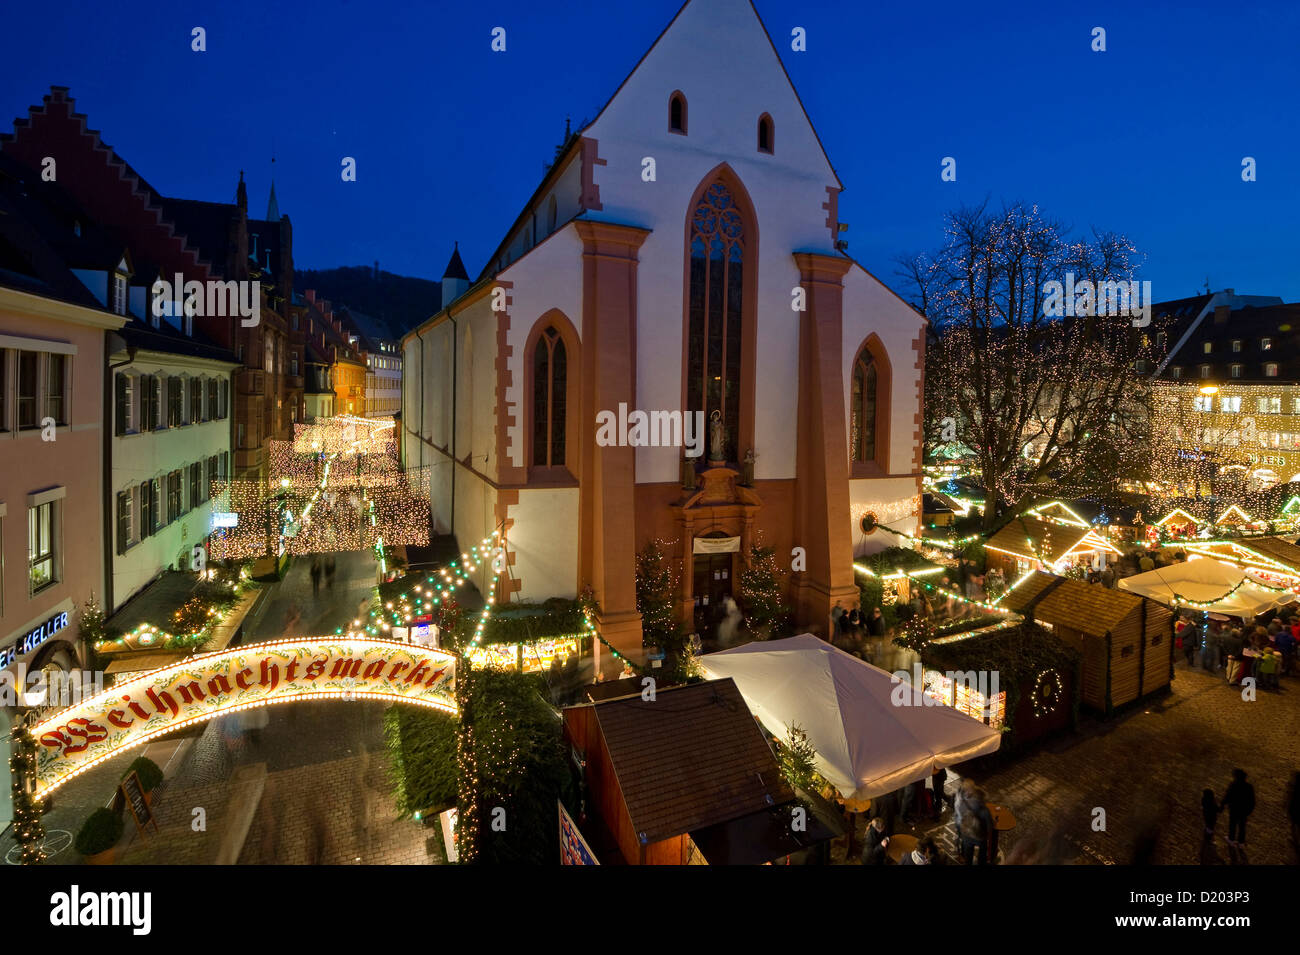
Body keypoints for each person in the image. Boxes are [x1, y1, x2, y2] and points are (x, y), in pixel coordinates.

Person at [954, 780, 994, 865]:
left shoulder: (962, 804)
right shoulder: (983, 809)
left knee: (968, 855)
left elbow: (959, 819)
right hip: (980, 836)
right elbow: (990, 825)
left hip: (967, 834)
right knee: (982, 852)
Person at [1220, 768, 1255, 848]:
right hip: (1244, 810)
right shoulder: (1249, 787)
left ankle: (1231, 839)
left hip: (1234, 809)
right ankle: (1241, 842)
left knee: (1232, 824)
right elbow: (1252, 801)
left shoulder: (1233, 785)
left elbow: (1228, 796)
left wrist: (1222, 804)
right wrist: (1249, 811)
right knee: (1242, 826)